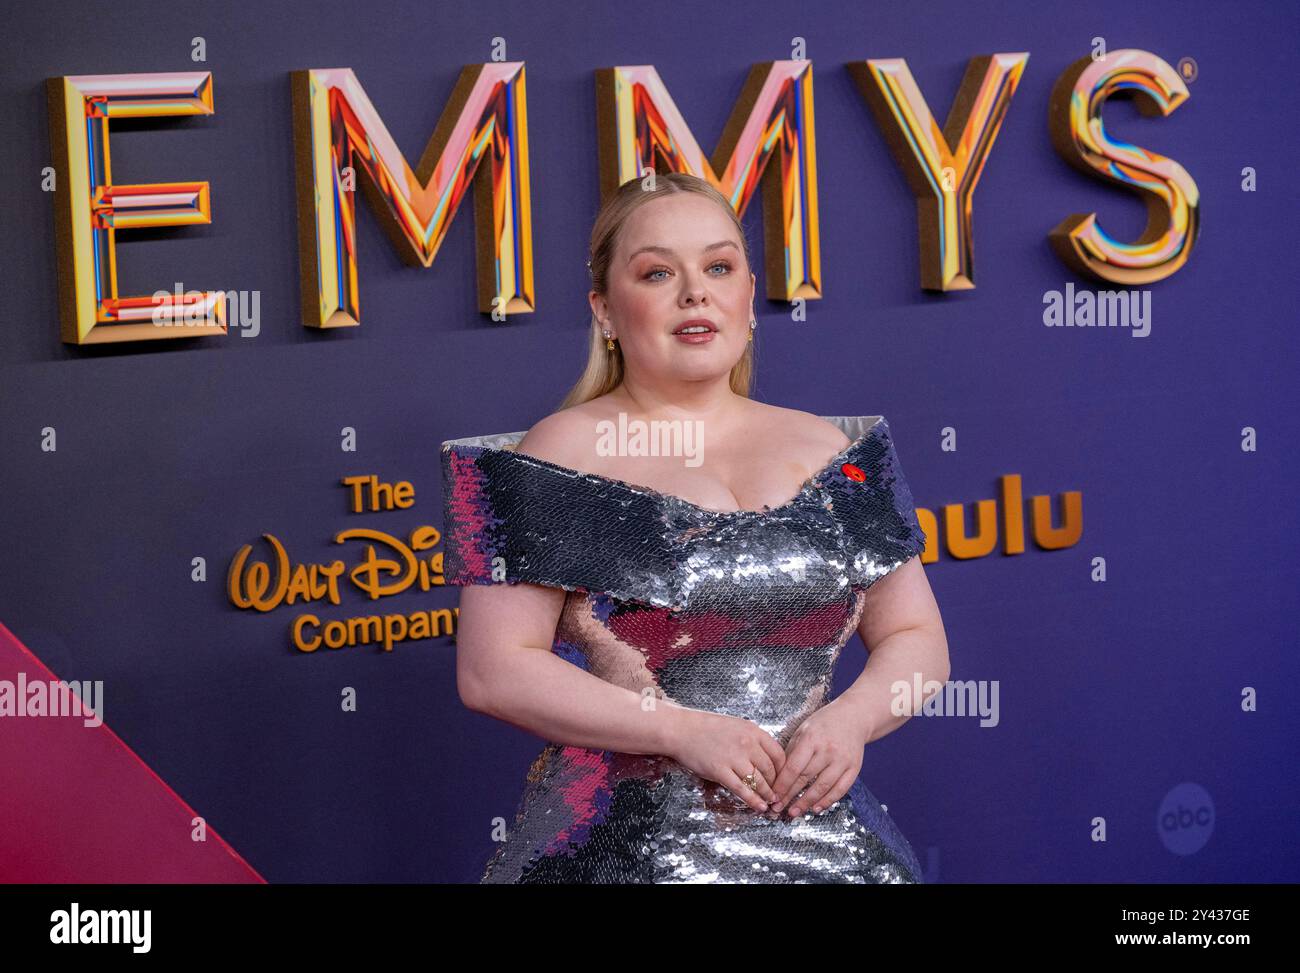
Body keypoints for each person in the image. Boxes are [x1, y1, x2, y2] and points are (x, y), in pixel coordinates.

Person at [440, 171, 949, 883]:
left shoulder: (833, 450)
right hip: (627, 857)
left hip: (828, 845)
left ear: (747, 295)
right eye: (656, 272)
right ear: (605, 311)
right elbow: (493, 670)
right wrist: (681, 729)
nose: (694, 292)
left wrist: (853, 719)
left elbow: (916, 638)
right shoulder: (559, 452)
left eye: (718, 266)